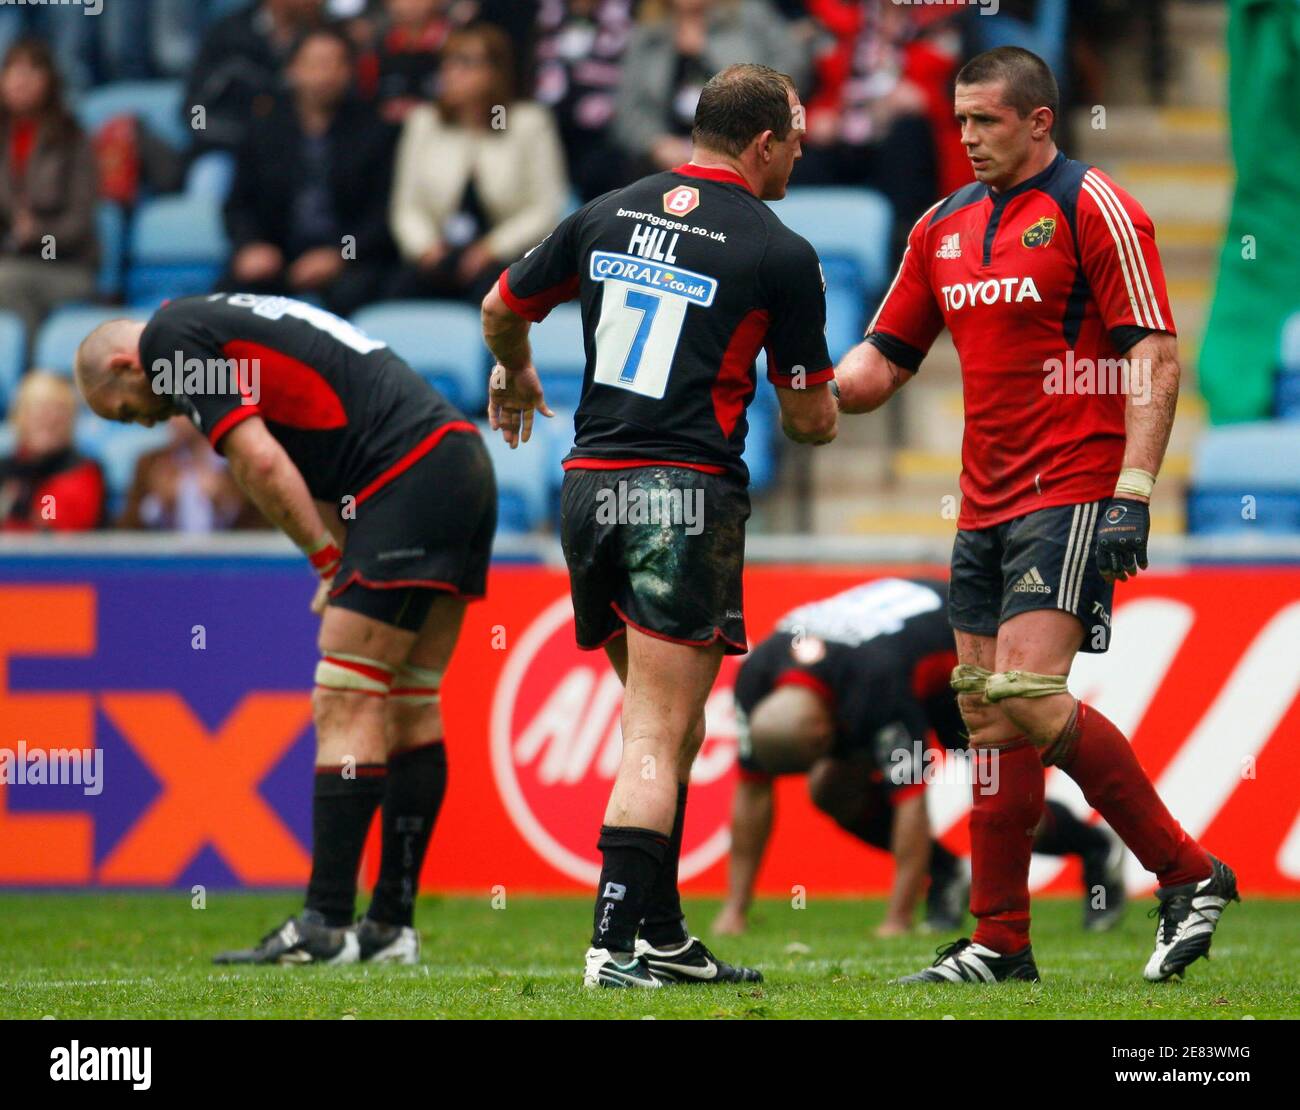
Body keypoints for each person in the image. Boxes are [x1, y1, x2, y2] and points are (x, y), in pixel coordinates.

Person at [835, 46, 1238, 984]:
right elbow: (884, 360)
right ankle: (999, 942)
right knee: (984, 716)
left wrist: (1134, 493)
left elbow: (1155, 355)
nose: (967, 136)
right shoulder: (939, 224)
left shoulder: (1094, 204)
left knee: (1020, 695)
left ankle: (1187, 873)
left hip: (1073, 486)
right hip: (983, 499)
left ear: (1040, 120)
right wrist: (808, 383)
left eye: (985, 121)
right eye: (960, 120)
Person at [482, 63, 838, 987]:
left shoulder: (606, 211)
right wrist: (828, 402)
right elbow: (807, 419)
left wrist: (516, 371)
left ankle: (663, 936)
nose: (802, 152)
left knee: (667, 731)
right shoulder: (780, 252)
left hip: (589, 491)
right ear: (764, 142)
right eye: (796, 138)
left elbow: (500, 305)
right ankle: (611, 945)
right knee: (655, 735)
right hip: (681, 498)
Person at [72, 292, 497, 965]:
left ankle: (325, 925)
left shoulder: (170, 341)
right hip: (459, 460)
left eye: (128, 412)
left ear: (129, 364)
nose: (146, 424)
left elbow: (258, 462)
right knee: (410, 701)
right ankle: (390, 927)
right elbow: (322, 440)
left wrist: (330, 564)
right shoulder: (225, 319)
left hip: (407, 474)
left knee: (343, 697)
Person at [715, 577, 1127, 939]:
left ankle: (1094, 847)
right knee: (831, 790)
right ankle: (947, 874)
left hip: (958, 659)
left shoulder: (875, 686)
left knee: (998, 797)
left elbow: (910, 798)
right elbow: (751, 793)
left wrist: (897, 918)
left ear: (825, 732)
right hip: (891, 659)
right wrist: (734, 910)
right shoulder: (756, 677)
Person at [222, 25, 398, 317]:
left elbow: (382, 214)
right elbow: (238, 204)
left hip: (349, 258)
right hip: (279, 254)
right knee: (230, 300)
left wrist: (341, 254)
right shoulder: (263, 128)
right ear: (293, 70)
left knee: (357, 293)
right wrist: (251, 246)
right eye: (315, 64)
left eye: (336, 63)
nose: (326, 74)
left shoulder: (375, 130)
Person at [388, 23, 568, 305]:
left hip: (507, 258)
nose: (451, 72)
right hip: (439, 255)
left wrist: (490, 249)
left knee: (492, 295)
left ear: (495, 71)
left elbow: (545, 209)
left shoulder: (530, 123)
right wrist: (425, 248)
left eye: (465, 63)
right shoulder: (424, 122)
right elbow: (406, 206)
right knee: (396, 292)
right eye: (447, 62)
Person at [612, 0, 811, 179]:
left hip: (745, 140)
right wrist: (655, 143)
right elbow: (628, 106)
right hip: (666, 150)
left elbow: (793, 68)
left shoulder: (749, 14)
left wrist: (734, 143)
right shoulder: (647, 32)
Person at [0, 38, 98, 339]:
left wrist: (39, 233)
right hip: (8, 258)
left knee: (7, 281)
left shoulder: (73, 138)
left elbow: (81, 223)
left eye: (32, 70)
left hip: (66, 266)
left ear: (49, 80)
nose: (21, 80)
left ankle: (28, 375)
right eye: (14, 70)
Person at [184, 0, 328, 156]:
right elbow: (196, 107)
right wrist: (241, 138)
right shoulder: (228, 34)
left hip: (306, 154)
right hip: (235, 151)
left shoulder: (327, 36)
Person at [117, 415, 265, 532]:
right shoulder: (150, 463)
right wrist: (158, 505)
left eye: (180, 411)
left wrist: (227, 507)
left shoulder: (240, 463)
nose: (172, 419)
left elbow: (265, 532)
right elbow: (124, 532)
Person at [0, 370, 104, 532]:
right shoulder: (7, 468)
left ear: (71, 419)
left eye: (58, 409)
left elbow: (52, 534)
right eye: (38, 409)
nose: (48, 418)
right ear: (18, 416)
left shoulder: (81, 471)